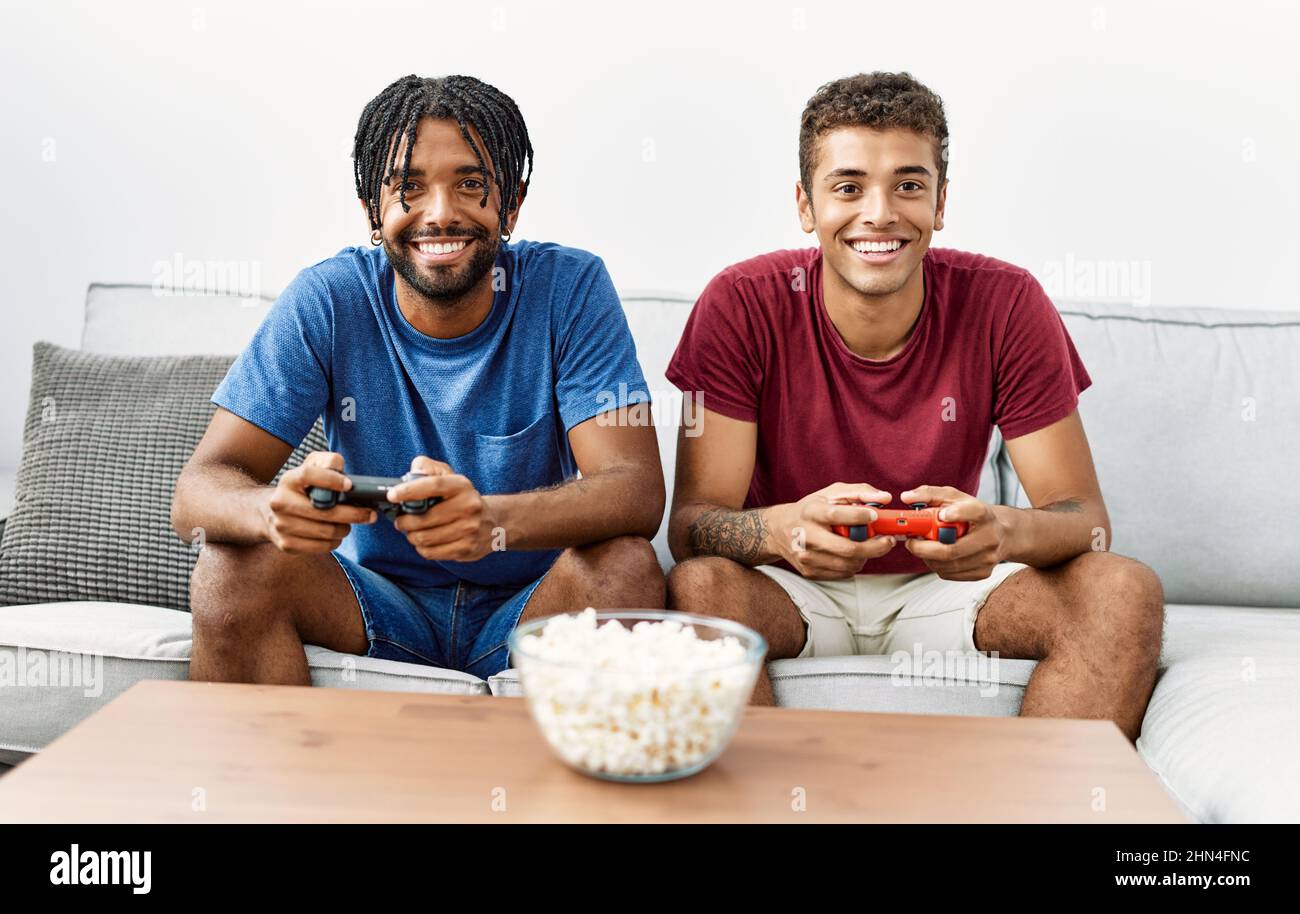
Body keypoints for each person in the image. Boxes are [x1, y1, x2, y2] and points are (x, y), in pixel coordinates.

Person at [664, 72, 1162, 743]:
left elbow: (1084, 521)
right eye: (848, 187)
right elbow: (691, 528)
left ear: (940, 200)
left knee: (1123, 591)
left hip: (946, 588)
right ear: (805, 206)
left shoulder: (1007, 303)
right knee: (700, 588)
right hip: (791, 585)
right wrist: (781, 530)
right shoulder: (741, 303)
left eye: (908, 184)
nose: (879, 213)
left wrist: (1002, 532)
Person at [173, 74, 665, 685]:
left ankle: (583, 780)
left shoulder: (571, 288)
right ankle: (265, 781)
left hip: (531, 608)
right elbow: (199, 488)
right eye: (409, 188)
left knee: (626, 566)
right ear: (373, 214)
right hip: (371, 601)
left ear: (509, 204)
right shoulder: (328, 299)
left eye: (470, 185)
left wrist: (490, 522)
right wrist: (270, 510)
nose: (440, 213)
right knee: (229, 565)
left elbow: (637, 490)